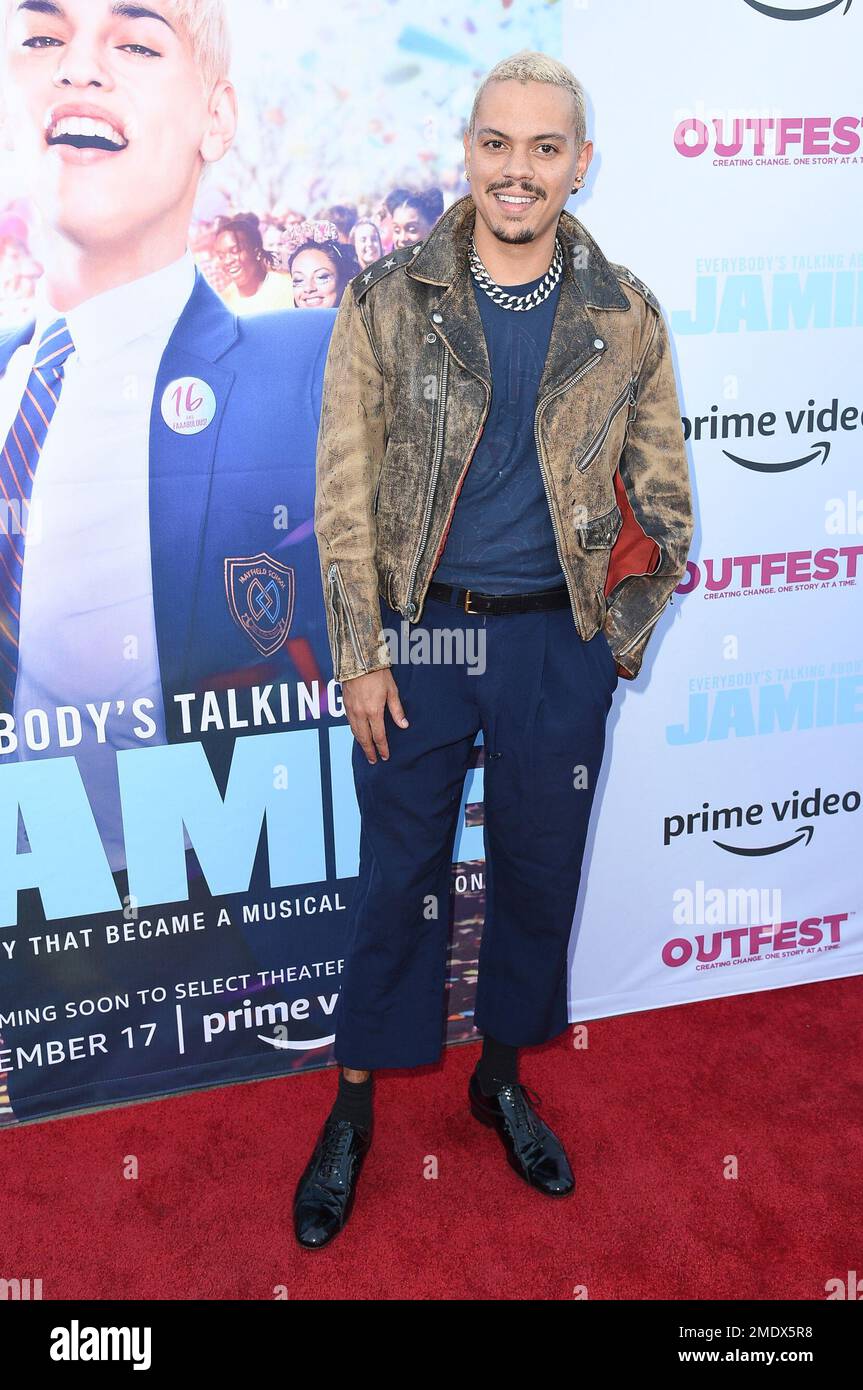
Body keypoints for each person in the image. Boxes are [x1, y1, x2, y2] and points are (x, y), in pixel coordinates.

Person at [302, 49, 695, 1249]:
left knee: (536, 878)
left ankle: (501, 1079)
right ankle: (353, 1109)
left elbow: (663, 500)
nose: (514, 170)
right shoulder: (384, 298)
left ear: (580, 167)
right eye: (494, 143)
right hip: (416, 646)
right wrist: (362, 649)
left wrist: (607, 648)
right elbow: (344, 490)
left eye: (541, 149)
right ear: (463, 151)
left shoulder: (622, 315)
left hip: (549, 654)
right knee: (397, 883)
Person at [0, 0, 335, 1118]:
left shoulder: (311, 367)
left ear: (218, 116)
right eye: (42, 38)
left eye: (135, 42)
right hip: (31, 927)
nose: (78, 68)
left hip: (211, 927)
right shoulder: (10, 376)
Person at [214, 212, 295, 313]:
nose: (227, 261)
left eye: (235, 251)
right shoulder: (222, 303)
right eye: (221, 256)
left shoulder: (287, 288)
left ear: (257, 252)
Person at [289, 238, 360, 309]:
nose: (308, 288)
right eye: (298, 280)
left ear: (344, 281)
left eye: (321, 277)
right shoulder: (281, 319)